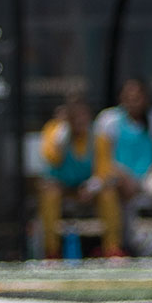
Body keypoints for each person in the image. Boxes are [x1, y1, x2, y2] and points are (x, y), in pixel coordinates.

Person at [95, 78, 152, 255]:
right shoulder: (109, 120)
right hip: (121, 177)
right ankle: (125, 243)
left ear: (145, 98)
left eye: (137, 96)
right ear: (122, 97)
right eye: (129, 96)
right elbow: (104, 160)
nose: (133, 100)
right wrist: (124, 176)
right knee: (118, 188)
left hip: (148, 177)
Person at [37, 91, 118, 258]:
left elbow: (104, 170)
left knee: (109, 194)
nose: (80, 120)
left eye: (83, 115)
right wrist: (62, 132)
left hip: (87, 187)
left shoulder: (98, 137)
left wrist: (91, 187)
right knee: (49, 193)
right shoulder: (54, 130)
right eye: (75, 116)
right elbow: (52, 157)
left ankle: (113, 249)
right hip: (61, 185)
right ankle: (52, 251)